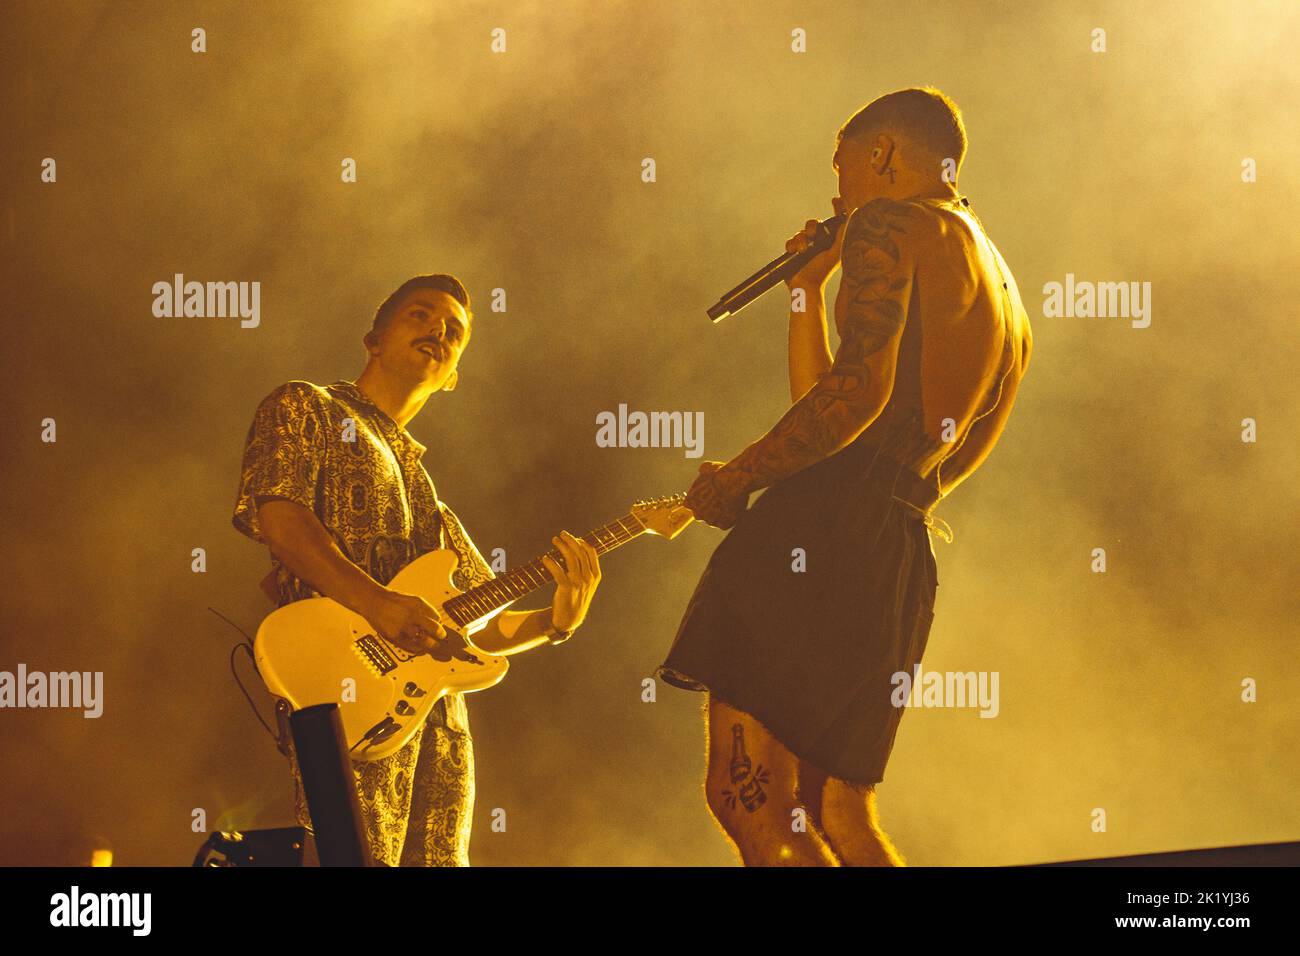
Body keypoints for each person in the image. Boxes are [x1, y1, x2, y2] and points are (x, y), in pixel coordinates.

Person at [658, 88, 1033, 866]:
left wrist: (739, 477)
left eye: (842, 165)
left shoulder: (892, 223)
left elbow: (851, 401)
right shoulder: (1003, 287)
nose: (839, 189)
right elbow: (925, 445)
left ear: (882, 155)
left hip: (822, 528)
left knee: (749, 794)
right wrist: (806, 291)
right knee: (831, 812)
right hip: (897, 546)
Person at [233, 274, 602, 866]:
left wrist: (556, 622)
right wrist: (378, 603)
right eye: (421, 316)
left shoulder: (434, 502)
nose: (438, 330)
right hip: (341, 696)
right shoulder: (307, 406)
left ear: (454, 375)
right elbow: (281, 518)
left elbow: (479, 629)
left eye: (454, 332)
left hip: (436, 726)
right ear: (373, 339)